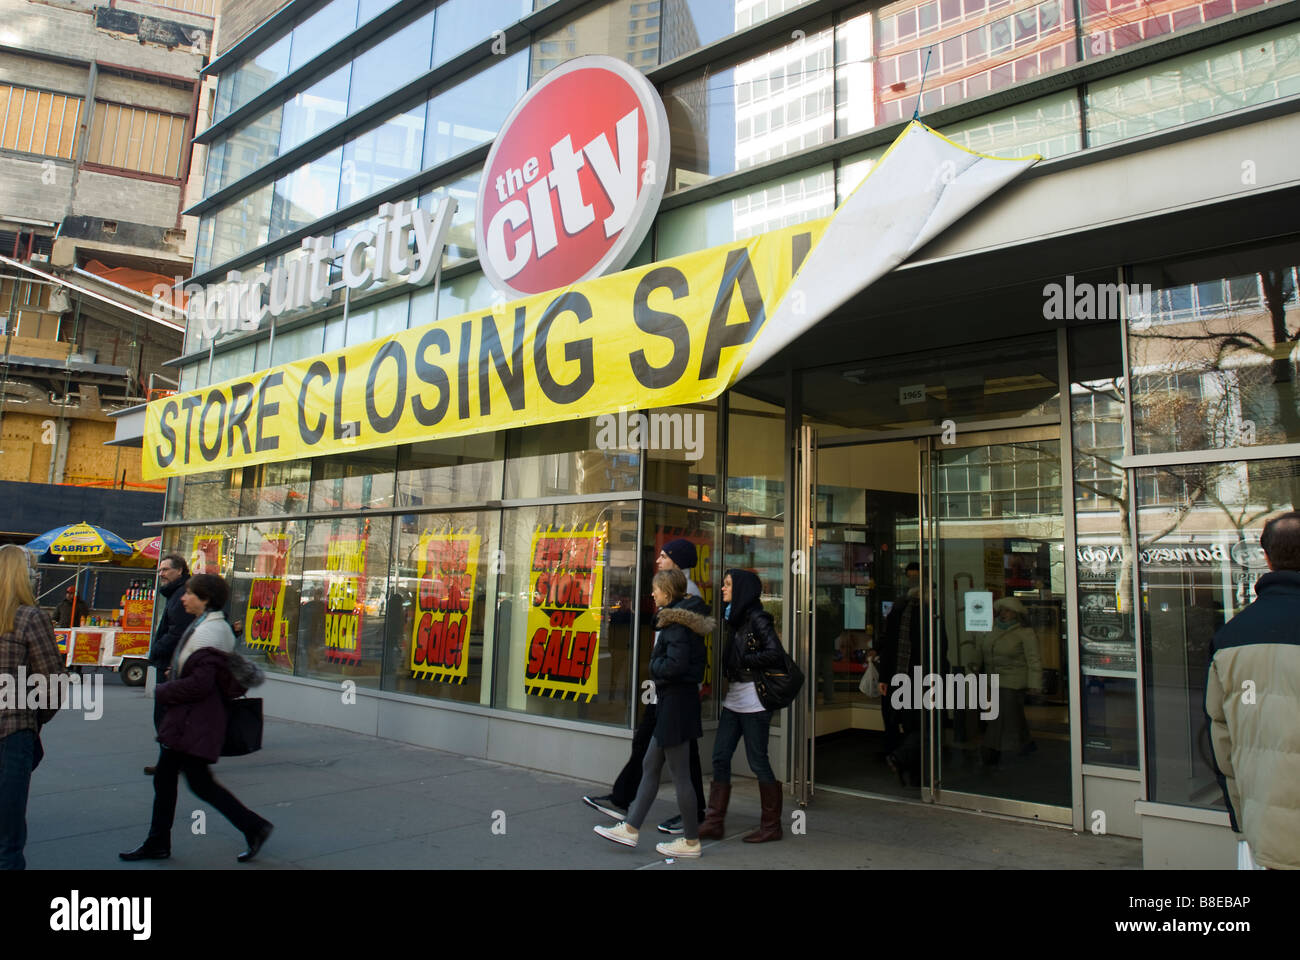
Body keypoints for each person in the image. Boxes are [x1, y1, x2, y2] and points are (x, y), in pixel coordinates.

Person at [120, 574, 273, 863]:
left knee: (187, 781)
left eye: (189, 593)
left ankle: (252, 826)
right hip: (194, 719)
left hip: (193, 720)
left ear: (205, 599)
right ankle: (250, 827)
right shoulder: (208, 626)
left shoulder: (208, 633)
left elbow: (201, 684)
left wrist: (164, 689)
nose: (183, 598)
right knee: (182, 781)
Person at [582, 538, 709, 836]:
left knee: (671, 759)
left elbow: (677, 658)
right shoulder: (682, 600)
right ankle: (628, 812)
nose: (659, 560)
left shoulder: (685, 601)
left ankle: (687, 827)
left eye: (664, 556)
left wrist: (655, 670)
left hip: (673, 692)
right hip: (670, 689)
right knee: (654, 755)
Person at [1206, 511, 1300, 870]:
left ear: (1266, 557)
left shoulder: (1230, 637)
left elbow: (1221, 741)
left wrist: (1244, 821)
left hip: (1266, 838)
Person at [697, 569, 784, 843]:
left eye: (728, 584)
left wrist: (745, 660)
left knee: (758, 761)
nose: (722, 589)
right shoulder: (733, 618)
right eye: (723, 584)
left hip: (755, 700)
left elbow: (775, 654)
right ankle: (714, 821)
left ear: (742, 589)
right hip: (734, 698)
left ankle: (771, 826)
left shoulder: (757, 617)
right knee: (720, 757)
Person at [0, 544, 66, 869]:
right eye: (34, 570)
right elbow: (53, 682)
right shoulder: (30, 617)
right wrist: (36, 718)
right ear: (24, 576)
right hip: (12, 733)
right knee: (7, 837)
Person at [144, 554, 196, 776]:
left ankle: (172, 762)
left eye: (165, 570)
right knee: (169, 715)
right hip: (170, 662)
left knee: (166, 715)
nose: (161, 574)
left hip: (171, 663)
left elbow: (177, 632)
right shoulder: (176, 594)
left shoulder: (181, 595)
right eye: (160, 570)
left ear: (180, 571)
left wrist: (157, 650)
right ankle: (174, 760)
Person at [975, 597, 1042, 767]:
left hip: (1013, 680)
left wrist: (1035, 683)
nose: (1003, 614)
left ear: (1016, 613)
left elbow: (1033, 659)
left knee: (998, 715)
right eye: (1002, 610)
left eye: (1008, 610)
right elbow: (982, 651)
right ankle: (1026, 742)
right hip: (993, 678)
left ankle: (990, 749)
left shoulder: (1025, 634)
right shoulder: (992, 630)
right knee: (1013, 714)